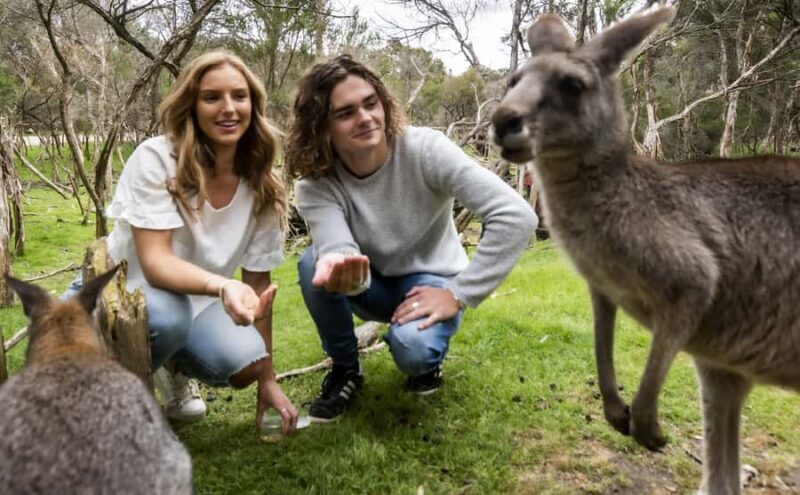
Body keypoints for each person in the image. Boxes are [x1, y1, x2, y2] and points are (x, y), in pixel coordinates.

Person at [285, 55, 538, 422]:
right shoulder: (316, 184)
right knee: (312, 262)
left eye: (371, 103)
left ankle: (423, 362)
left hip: (430, 279)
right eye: (345, 113)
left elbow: (516, 216)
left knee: (414, 351)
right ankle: (345, 369)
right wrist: (336, 263)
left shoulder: (425, 150)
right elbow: (336, 244)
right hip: (368, 282)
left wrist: (459, 293)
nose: (366, 118)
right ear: (321, 127)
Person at [63, 51, 298, 434]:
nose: (228, 108)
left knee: (248, 360)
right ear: (191, 105)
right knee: (169, 316)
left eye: (239, 96)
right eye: (212, 97)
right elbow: (156, 263)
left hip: (198, 302)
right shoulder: (157, 159)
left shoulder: (262, 186)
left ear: (254, 104)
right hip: (124, 291)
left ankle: (170, 367)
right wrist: (224, 285)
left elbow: (259, 288)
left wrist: (267, 381)